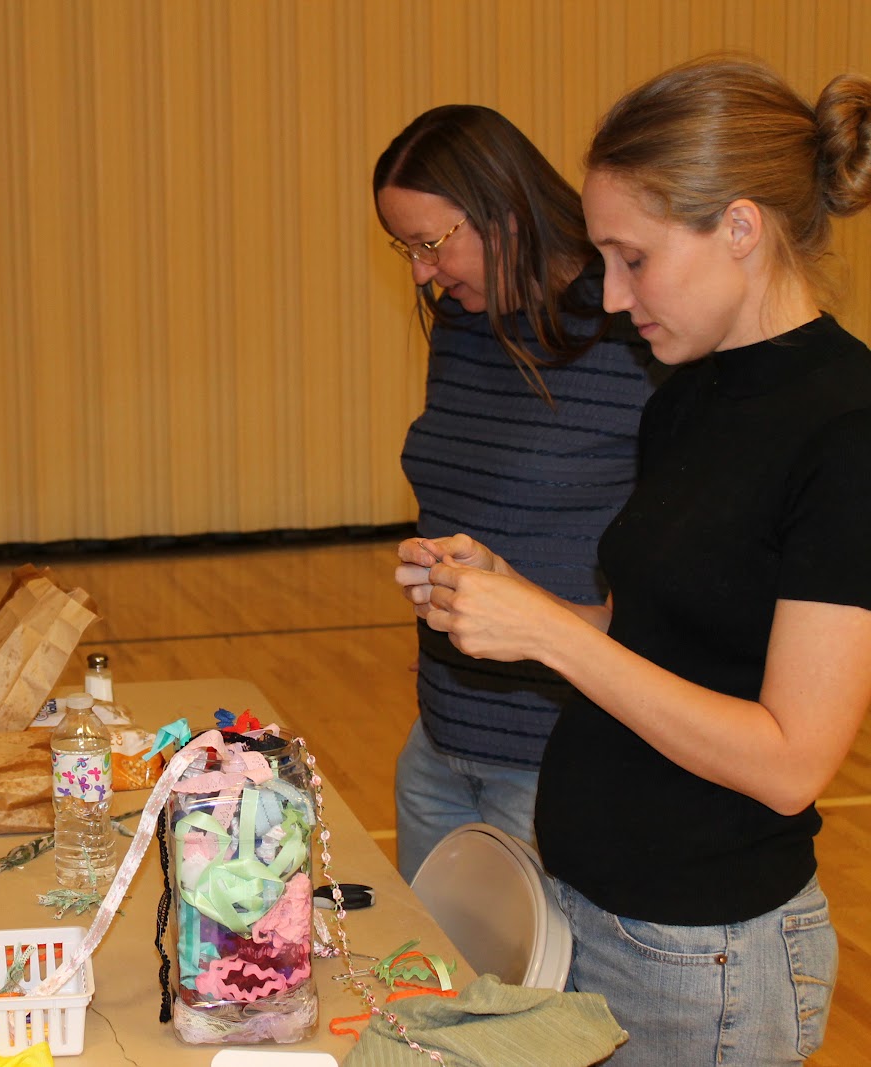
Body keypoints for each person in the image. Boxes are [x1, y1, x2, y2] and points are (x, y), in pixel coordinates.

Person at [397, 54, 871, 1064]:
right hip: (595, 910)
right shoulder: (690, 392)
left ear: (738, 227)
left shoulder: (843, 425)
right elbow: (662, 640)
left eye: (632, 258)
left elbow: (789, 760)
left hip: (703, 955)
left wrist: (552, 642)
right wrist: (517, 601)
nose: (608, 298)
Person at [372, 105, 656, 880]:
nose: (421, 273)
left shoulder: (636, 331)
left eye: (432, 244)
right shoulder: (466, 324)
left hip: (554, 763)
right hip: (439, 747)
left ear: (502, 209)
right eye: (405, 249)